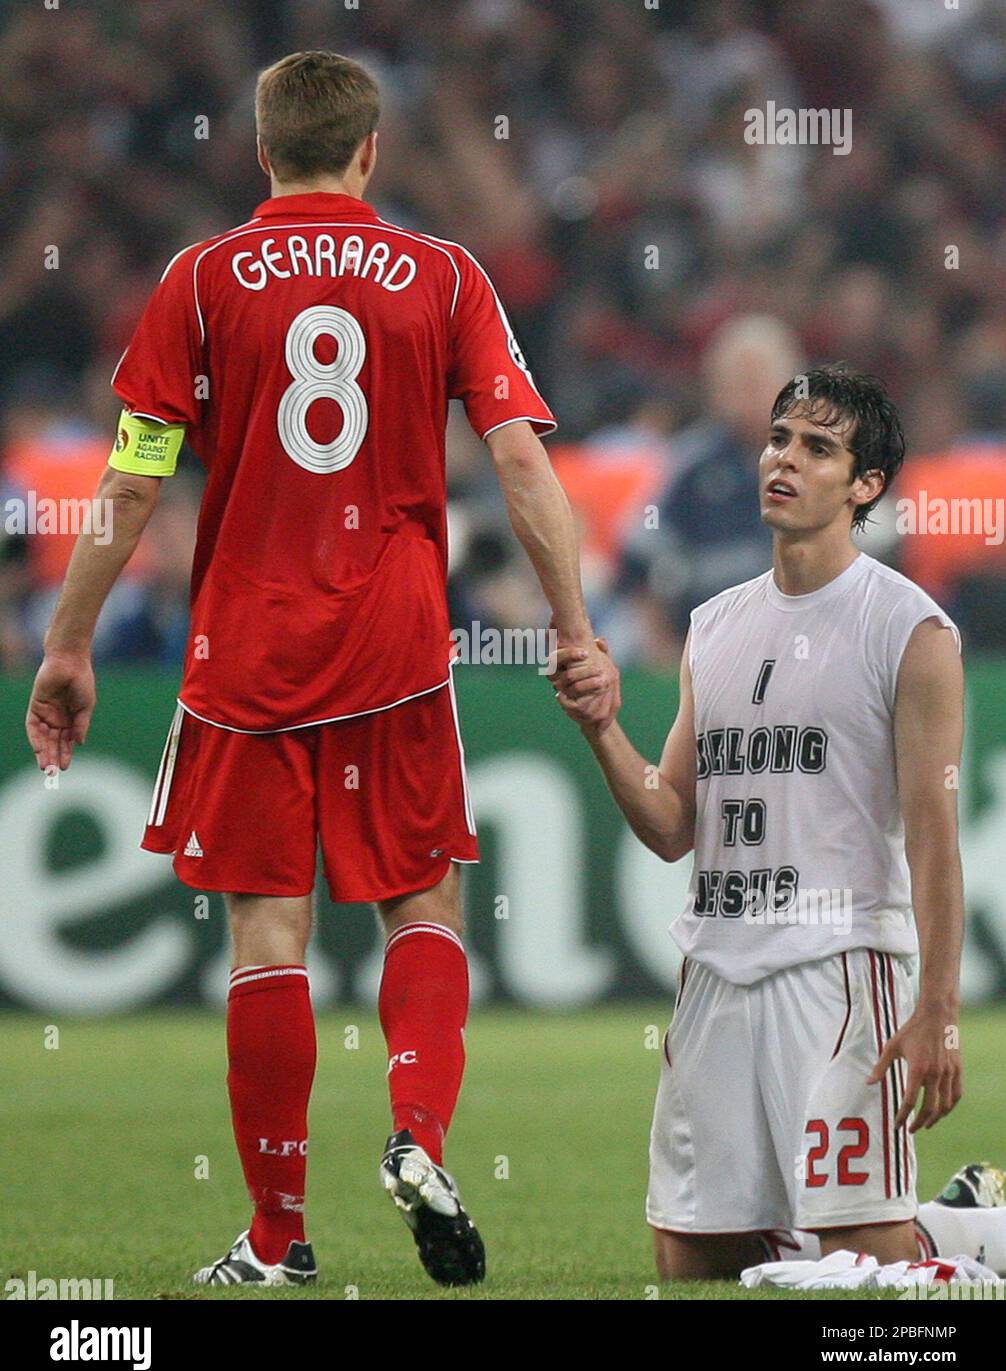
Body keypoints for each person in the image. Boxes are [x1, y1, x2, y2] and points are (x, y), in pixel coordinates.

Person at [24, 50, 613, 1290]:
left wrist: (68, 641)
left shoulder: (198, 279)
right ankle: (418, 1134)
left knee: (266, 933)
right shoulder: (443, 276)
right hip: (395, 646)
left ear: (259, 152)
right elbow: (518, 465)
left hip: (243, 650)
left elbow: (133, 478)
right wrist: (572, 624)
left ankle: (280, 1232)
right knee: (424, 903)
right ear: (371, 152)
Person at [551, 365, 1006, 1279]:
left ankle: (972, 1239)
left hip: (838, 976)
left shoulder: (909, 629)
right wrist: (603, 729)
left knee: (861, 1265)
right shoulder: (714, 625)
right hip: (717, 971)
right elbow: (673, 821)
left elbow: (930, 835)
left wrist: (939, 1011)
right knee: (694, 1267)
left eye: (819, 447)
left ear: (866, 485)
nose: (784, 460)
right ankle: (950, 1214)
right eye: (779, 439)